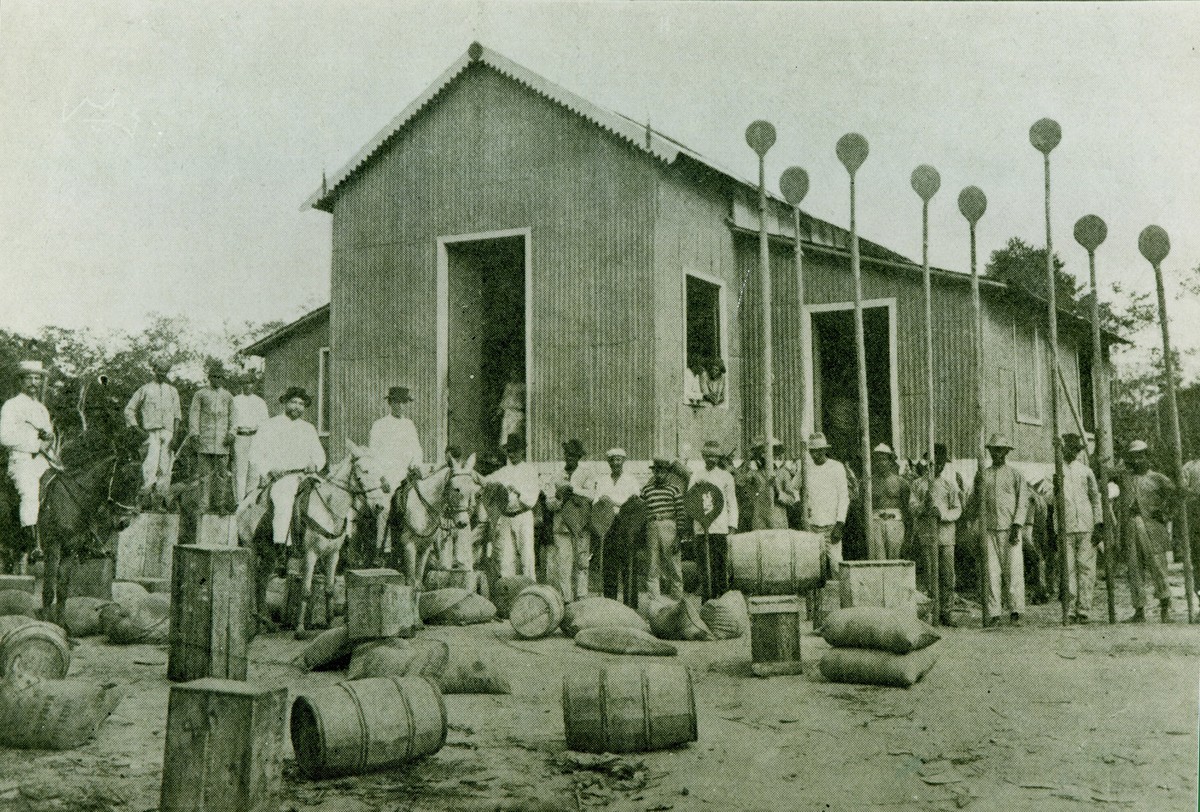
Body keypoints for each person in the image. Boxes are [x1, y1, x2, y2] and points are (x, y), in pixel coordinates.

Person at [250, 387, 326, 549]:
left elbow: (320, 455)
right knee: (284, 502)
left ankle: (334, 543)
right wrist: (270, 468)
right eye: (293, 402)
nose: (297, 407)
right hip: (283, 478)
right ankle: (282, 548)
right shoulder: (270, 425)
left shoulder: (308, 428)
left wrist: (315, 464)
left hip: (306, 477)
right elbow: (255, 453)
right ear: (284, 402)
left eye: (301, 404)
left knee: (330, 497)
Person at [968, 433, 1028, 627]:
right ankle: (994, 612)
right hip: (989, 529)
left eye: (1001, 450)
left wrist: (1017, 525)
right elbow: (975, 501)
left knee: (1013, 571)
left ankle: (1016, 610)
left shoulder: (1015, 474)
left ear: (1006, 452)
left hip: (1010, 528)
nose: (997, 454)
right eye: (994, 450)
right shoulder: (983, 474)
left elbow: (1023, 502)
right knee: (991, 572)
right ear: (990, 452)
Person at [1117, 440, 1174, 623]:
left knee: (1158, 566)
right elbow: (1106, 470)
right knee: (1134, 568)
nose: (1137, 460)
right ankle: (1139, 610)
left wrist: (1165, 514)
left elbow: (1175, 495)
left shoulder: (1158, 478)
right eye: (1134, 457)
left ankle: (1165, 608)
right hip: (1132, 525)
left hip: (1152, 527)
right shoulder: (1126, 477)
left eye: (1141, 456)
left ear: (1147, 457)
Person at [0, 361, 55, 547]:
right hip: (21, 461)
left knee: (62, 487)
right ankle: (30, 542)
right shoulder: (11, 405)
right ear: (21, 381)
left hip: (44, 461)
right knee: (30, 493)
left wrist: (49, 438)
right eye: (29, 378)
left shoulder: (41, 408)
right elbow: (5, 437)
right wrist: (35, 445)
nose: (33, 382)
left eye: (37, 378)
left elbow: (48, 435)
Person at [910, 443, 962, 626]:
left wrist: (943, 514)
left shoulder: (950, 484)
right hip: (927, 537)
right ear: (927, 464)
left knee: (947, 575)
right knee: (931, 574)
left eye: (941, 464)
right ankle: (932, 611)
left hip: (946, 537)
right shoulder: (918, 484)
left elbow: (957, 509)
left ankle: (946, 611)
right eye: (934, 463)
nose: (938, 467)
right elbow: (912, 507)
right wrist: (924, 507)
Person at [1057, 434, 1103, 624]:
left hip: (1086, 525)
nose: (1073, 452)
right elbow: (1054, 501)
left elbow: (1095, 499)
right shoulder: (1056, 471)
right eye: (1069, 448)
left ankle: (1083, 609)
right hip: (1065, 526)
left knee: (1086, 569)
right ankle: (1069, 609)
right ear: (1063, 449)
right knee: (1068, 569)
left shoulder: (1086, 471)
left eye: (1076, 449)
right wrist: (1056, 530)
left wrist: (1099, 524)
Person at [542, 439, 594, 601]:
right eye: (568, 455)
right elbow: (549, 503)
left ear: (579, 457)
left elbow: (592, 495)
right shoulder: (557, 476)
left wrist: (574, 490)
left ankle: (582, 597)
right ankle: (567, 599)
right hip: (562, 527)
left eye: (574, 456)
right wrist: (560, 500)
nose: (570, 458)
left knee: (582, 563)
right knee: (563, 564)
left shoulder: (586, 474)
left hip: (581, 526)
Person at [687, 440, 739, 599]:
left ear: (719, 458)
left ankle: (722, 601)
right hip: (701, 529)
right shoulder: (696, 475)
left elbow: (732, 502)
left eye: (714, 457)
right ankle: (707, 601)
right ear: (703, 456)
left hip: (720, 528)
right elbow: (690, 500)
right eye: (708, 456)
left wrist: (732, 526)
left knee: (720, 566)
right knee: (704, 567)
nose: (711, 459)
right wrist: (697, 487)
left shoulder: (726, 476)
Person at [123, 358, 181, 501]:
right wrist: (137, 428)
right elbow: (129, 410)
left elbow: (177, 415)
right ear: (154, 371)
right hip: (150, 433)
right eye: (159, 371)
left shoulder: (172, 391)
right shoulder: (145, 389)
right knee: (150, 465)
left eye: (165, 372)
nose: (162, 375)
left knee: (165, 467)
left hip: (168, 433)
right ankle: (144, 500)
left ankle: (159, 501)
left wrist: (175, 436)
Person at [488, 434, 540, 579]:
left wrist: (518, 492)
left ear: (522, 451)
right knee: (505, 559)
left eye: (516, 451)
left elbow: (532, 499)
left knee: (527, 556)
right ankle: (507, 592)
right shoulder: (503, 472)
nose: (512, 454)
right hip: (505, 517)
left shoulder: (530, 471)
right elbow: (487, 482)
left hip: (523, 515)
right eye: (510, 451)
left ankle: (530, 589)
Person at [187, 362, 234, 513]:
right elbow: (194, 415)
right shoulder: (200, 394)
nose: (217, 379)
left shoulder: (227, 396)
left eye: (219, 377)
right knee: (204, 475)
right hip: (205, 439)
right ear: (209, 377)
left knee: (222, 474)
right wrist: (194, 434)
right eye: (214, 376)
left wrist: (231, 433)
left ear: (223, 378)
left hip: (222, 441)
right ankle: (204, 505)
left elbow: (233, 417)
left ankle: (220, 504)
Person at [802, 433, 850, 579]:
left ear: (824, 450)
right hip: (812, 525)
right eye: (812, 451)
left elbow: (844, 497)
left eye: (818, 451)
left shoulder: (836, 467)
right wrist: (804, 507)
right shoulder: (806, 468)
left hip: (831, 526)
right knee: (813, 567)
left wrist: (840, 524)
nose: (815, 454)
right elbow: (793, 488)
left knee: (836, 565)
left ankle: (840, 598)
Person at [641, 457, 690, 600]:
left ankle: (676, 601)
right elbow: (640, 510)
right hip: (651, 525)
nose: (659, 475)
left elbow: (681, 513)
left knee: (674, 565)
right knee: (652, 566)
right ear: (653, 472)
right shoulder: (646, 489)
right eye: (656, 471)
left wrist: (678, 538)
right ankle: (654, 603)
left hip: (669, 526)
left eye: (662, 472)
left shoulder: (674, 489)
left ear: (667, 473)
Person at [368, 386, 424, 497]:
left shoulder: (409, 425)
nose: (400, 406)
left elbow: (417, 450)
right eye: (396, 402)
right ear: (390, 403)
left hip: (406, 480)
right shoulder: (379, 425)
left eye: (403, 403)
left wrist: (416, 466)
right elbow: (373, 456)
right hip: (386, 481)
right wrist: (381, 479)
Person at [230, 374, 269, 503]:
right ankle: (239, 501)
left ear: (254, 385)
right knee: (240, 471)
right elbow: (231, 422)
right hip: (240, 437)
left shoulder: (260, 402)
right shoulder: (235, 401)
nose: (248, 386)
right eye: (245, 383)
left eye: (250, 383)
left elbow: (264, 424)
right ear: (241, 385)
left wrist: (262, 442)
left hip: (255, 437)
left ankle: (250, 500)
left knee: (254, 471)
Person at [869, 443, 910, 559]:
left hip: (895, 522)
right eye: (877, 460)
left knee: (895, 559)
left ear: (890, 461)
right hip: (875, 522)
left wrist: (908, 536)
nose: (880, 463)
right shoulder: (868, 483)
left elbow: (906, 508)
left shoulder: (901, 482)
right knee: (878, 559)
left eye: (884, 459)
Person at [497, 377, 525, 447]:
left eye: (516, 371)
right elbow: (504, 398)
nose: (513, 375)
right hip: (508, 412)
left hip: (517, 412)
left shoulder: (523, 386)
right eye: (512, 372)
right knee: (505, 438)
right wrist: (500, 409)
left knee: (514, 434)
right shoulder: (508, 386)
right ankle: (507, 455)